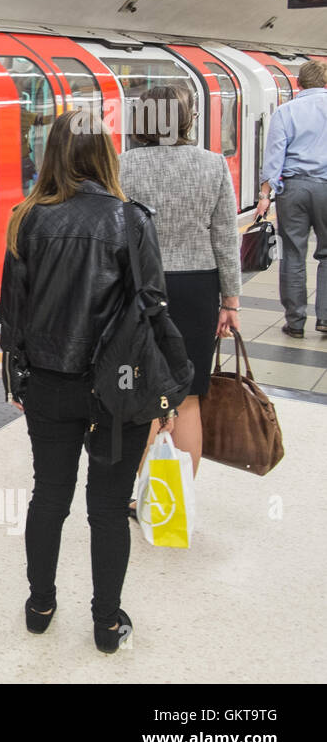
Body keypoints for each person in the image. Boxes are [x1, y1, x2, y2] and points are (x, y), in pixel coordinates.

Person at [0, 109, 172, 654]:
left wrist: (18, 379)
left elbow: (14, 315)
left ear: (51, 154)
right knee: (108, 507)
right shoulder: (130, 220)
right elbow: (151, 309)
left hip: (49, 383)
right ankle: (105, 622)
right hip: (117, 389)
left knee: (49, 495)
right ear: (105, 154)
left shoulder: (26, 219)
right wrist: (169, 382)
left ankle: (40, 605)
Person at [119, 85, 240, 487]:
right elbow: (225, 237)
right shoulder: (213, 164)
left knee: (143, 396)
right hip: (197, 289)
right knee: (187, 398)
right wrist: (231, 301)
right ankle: (179, 497)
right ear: (187, 119)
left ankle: (141, 494)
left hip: (139, 289)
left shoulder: (123, 166)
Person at [255, 60, 327, 337]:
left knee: (292, 255)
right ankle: (324, 319)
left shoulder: (286, 112)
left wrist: (264, 195)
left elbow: (274, 155)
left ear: (299, 84)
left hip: (293, 190)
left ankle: (295, 322)